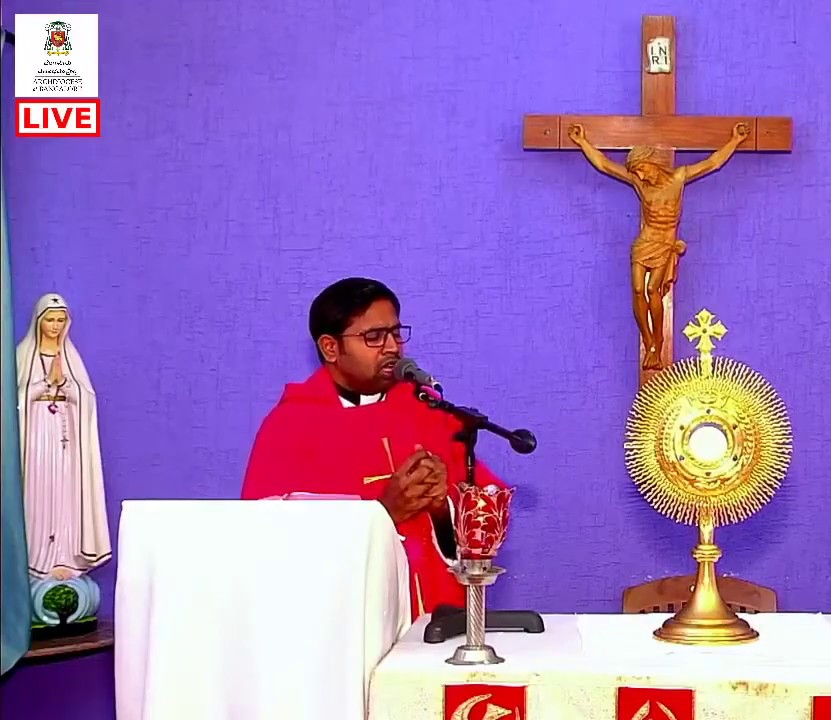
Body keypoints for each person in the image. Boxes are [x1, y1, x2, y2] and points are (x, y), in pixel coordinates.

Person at [241, 278, 505, 619]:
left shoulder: (428, 409)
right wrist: (383, 514)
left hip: (435, 617)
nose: (392, 347)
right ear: (330, 348)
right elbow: (270, 543)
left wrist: (443, 508)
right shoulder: (290, 426)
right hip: (343, 622)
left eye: (396, 333)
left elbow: (484, 509)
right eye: (374, 337)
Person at [565, 122, 751, 370]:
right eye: (637, 173)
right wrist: (582, 142)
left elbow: (713, 163)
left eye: (642, 170)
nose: (641, 176)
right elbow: (604, 165)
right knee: (637, 290)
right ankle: (648, 339)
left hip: (664, 243)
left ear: (651, 163)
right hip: (645, 242)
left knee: (653, 290)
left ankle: (658, 340)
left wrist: (735, 140)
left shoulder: (678, 178)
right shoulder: (640, 185)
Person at [15, 293, 111, 581]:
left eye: (60, 320)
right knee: (38, 490)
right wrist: (44, 384)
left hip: (66, 439)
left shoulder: (70, 357)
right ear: (39, 322)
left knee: (65, 493)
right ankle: (36, 557)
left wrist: (66, 385)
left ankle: (64, 555)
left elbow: (87, 399)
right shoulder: (22, 355)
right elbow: (13, 401)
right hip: (36, 438)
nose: (55, 326)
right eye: (50, 320)